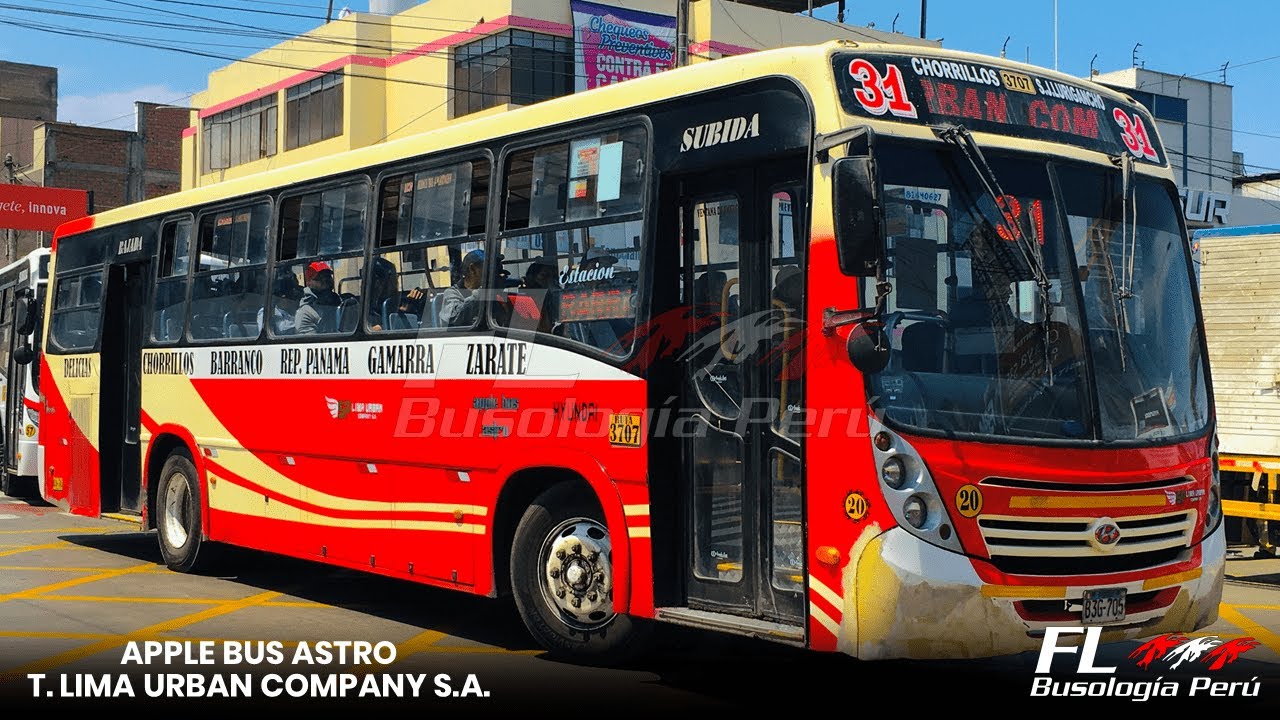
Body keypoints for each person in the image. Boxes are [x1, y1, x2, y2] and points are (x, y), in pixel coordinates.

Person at [438, 249, 485, 327]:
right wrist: (481, 294)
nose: (490, 272)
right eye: (487, 268)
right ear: (472, 269)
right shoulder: (452, 293)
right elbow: (454, 317)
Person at [294, 260, 341, 335]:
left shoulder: (339, 301)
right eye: (319, 277)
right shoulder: (305, 313)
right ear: (309, 282)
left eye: (327, 276)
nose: (325, 280)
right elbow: (312, 343)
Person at [259, 267, 303, 335]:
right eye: (291, 297)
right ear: (283, 298)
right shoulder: (267, 313)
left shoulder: (296, 311)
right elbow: (267, 336)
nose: (294, 300)